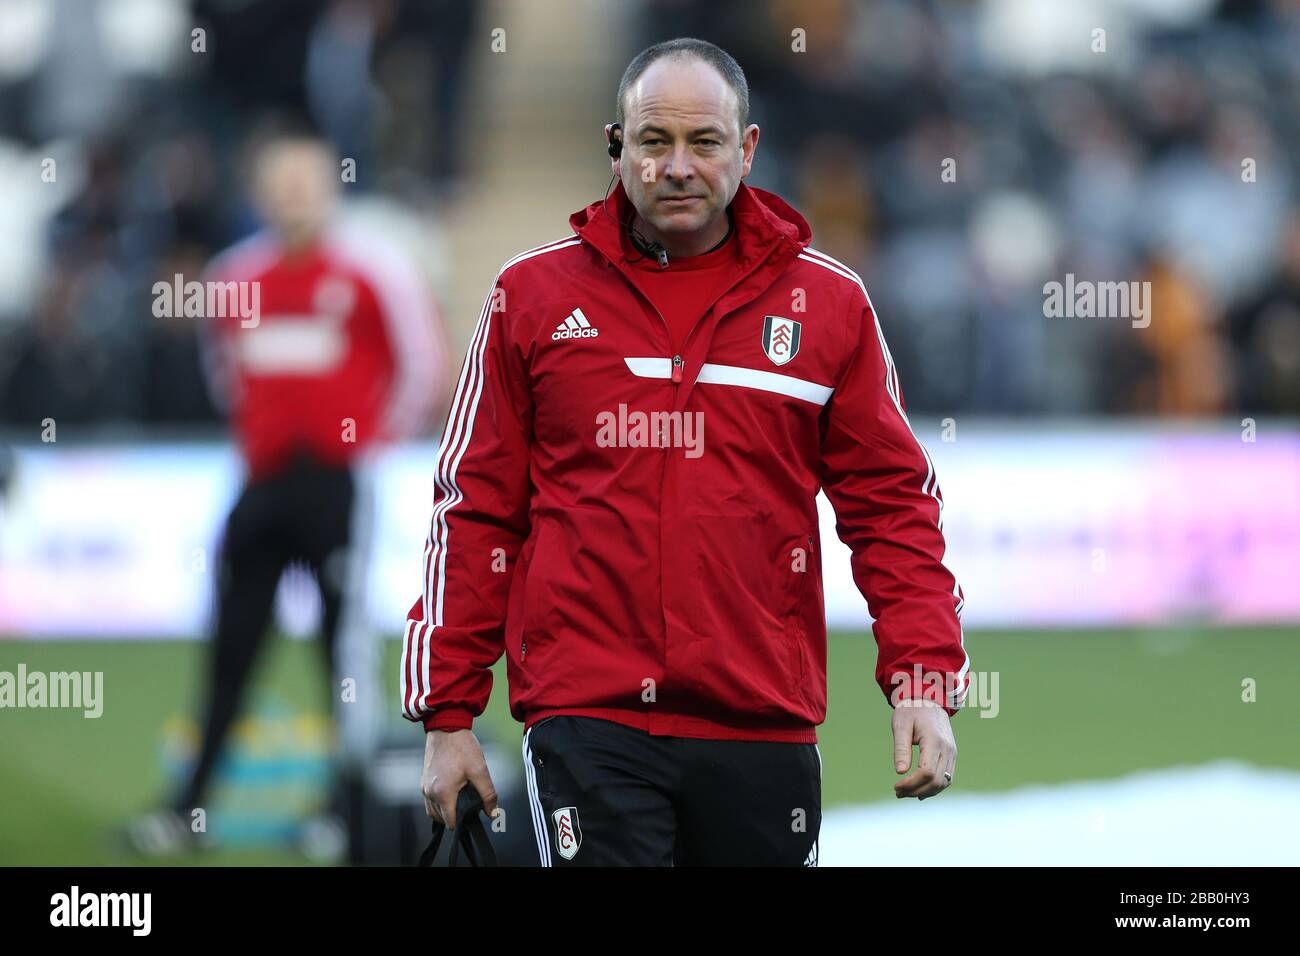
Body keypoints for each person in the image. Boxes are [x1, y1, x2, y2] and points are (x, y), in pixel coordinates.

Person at [403, 38, 968, 866]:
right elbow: (475, 511)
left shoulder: (830, 305)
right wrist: (448, 714)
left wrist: (921, 677)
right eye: (653, 141)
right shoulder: (531, 298)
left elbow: (893, 505)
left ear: (746, 149)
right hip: (589, 719)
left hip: (765, 721)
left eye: (703, 142)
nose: (677, 166)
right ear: (616, 146)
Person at [128, 128, 449, 858]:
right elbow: (225, 370)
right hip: (262, 483)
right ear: (259, 193)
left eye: (306, 182)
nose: (293, 197)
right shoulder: (232, 275)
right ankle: (188, 809)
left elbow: (422, 365)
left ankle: (347, 808)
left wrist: (368, 439)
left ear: (330, 188)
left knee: (341, 655)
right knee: (231, 648)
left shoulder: (374, 270)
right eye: (280, 183)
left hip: (337, 485)